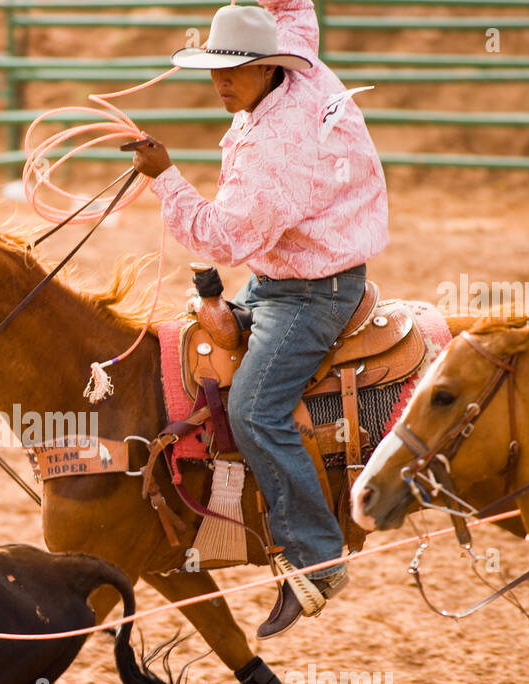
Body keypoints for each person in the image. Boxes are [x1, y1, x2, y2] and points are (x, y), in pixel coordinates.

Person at [128, 0, 389, 641]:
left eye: (235, 71)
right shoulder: (300, 63)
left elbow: (221, 236)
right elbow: (293, 6)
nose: (221, 82)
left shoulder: (275, 146)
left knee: (253, 408)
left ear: (267, 68)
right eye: (216, 69)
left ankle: (315, 558)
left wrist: (165, 180)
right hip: (292, 277)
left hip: (309, 295)